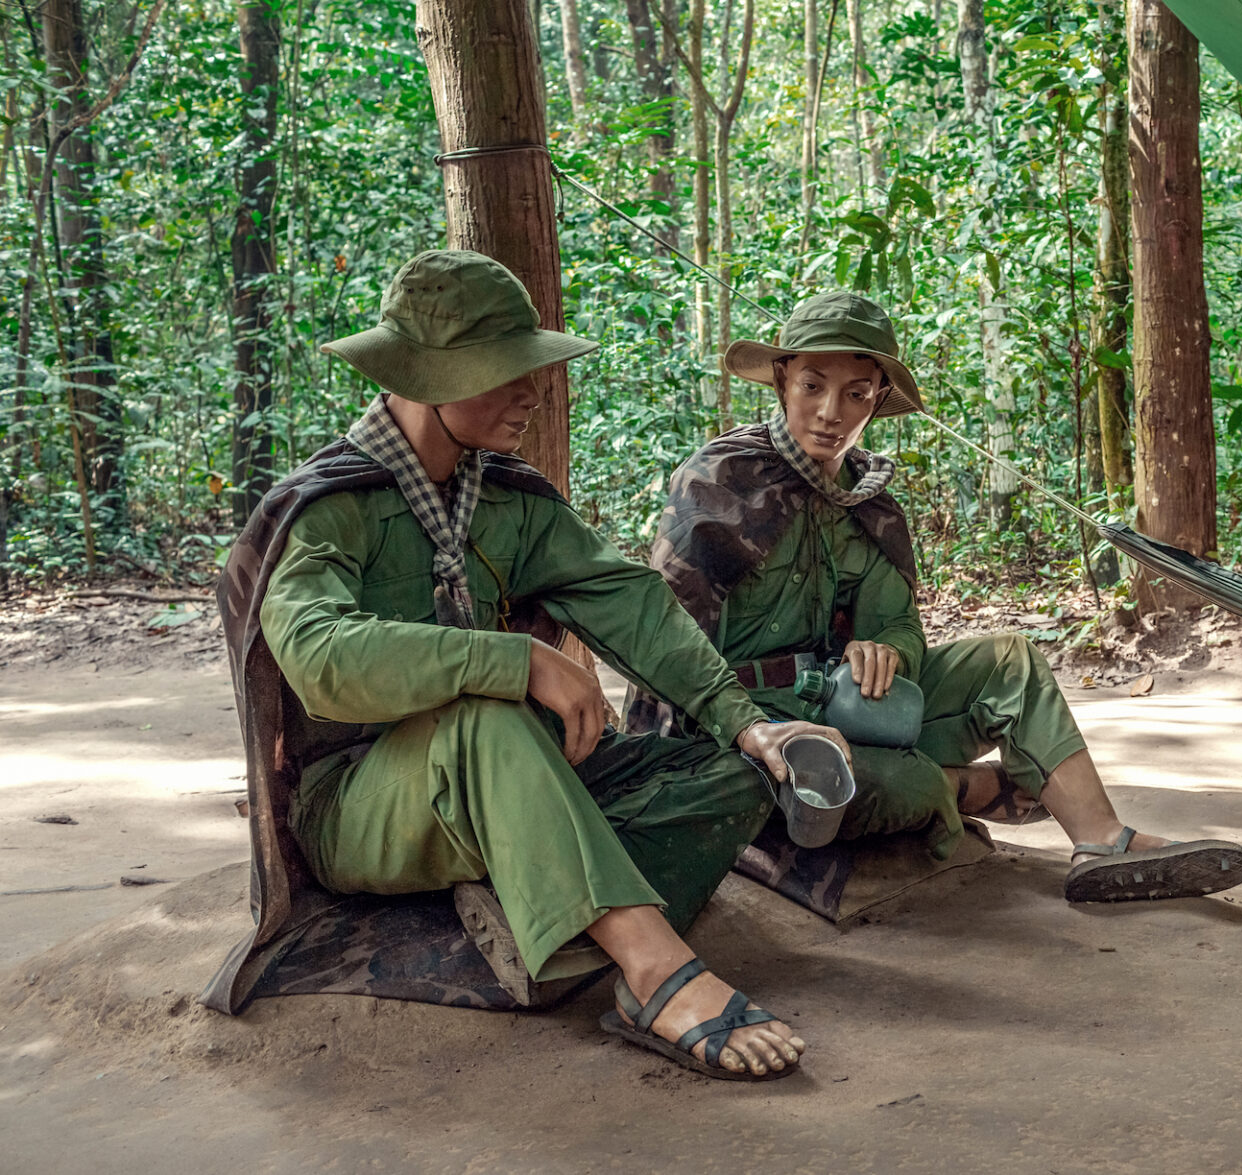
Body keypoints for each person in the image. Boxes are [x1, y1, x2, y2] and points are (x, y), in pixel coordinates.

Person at [235, 250, 840, 1081]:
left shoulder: (505, 500)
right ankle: (652, 970)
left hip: (509, 775)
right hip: (361, 803)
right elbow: (321, 661)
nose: (532, 391)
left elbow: (630, 601)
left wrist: (748, 722)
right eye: (504, 371)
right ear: (425, 377)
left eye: (532, 370)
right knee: (489, 709)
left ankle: (543, 909)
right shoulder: (329, 509)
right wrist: (511, 658)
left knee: (733, 776)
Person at [634, 291, 1242, 901]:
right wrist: (720, 741)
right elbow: (666, 643)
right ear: (781, 380)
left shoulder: (869, 503)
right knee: (898, 785)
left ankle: (1102, 842)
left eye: (855, 394)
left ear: (877, 400)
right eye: (812, 386)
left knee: (1009, 661)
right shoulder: (720, 478)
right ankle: (975, 789)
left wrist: (887, 651)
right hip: (744, 731)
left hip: (844, 704)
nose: (831, 412)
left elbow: (900, 626)